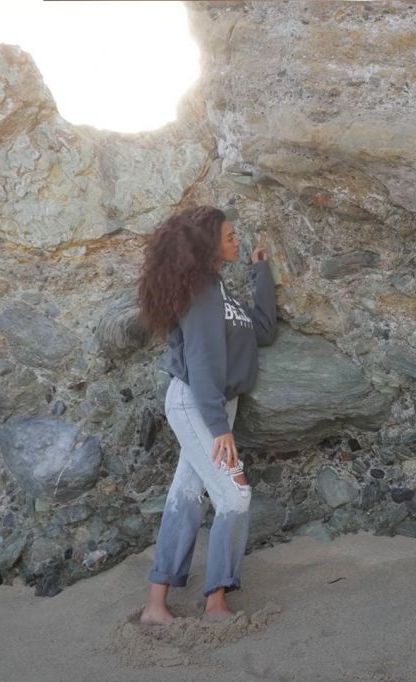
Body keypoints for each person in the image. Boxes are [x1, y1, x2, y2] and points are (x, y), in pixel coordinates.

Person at [136, 206, 277, 624]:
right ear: (207, 243)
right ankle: (216, 601)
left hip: (214, 404)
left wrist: (262, 272)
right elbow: (202, 362)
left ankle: (154, 606)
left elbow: (264, 331)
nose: (236, 240)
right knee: (235, 496)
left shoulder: (220, 290)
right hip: (197, 402)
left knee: (187, 497)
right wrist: (219, 427)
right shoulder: (199, 293)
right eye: (230, 235)